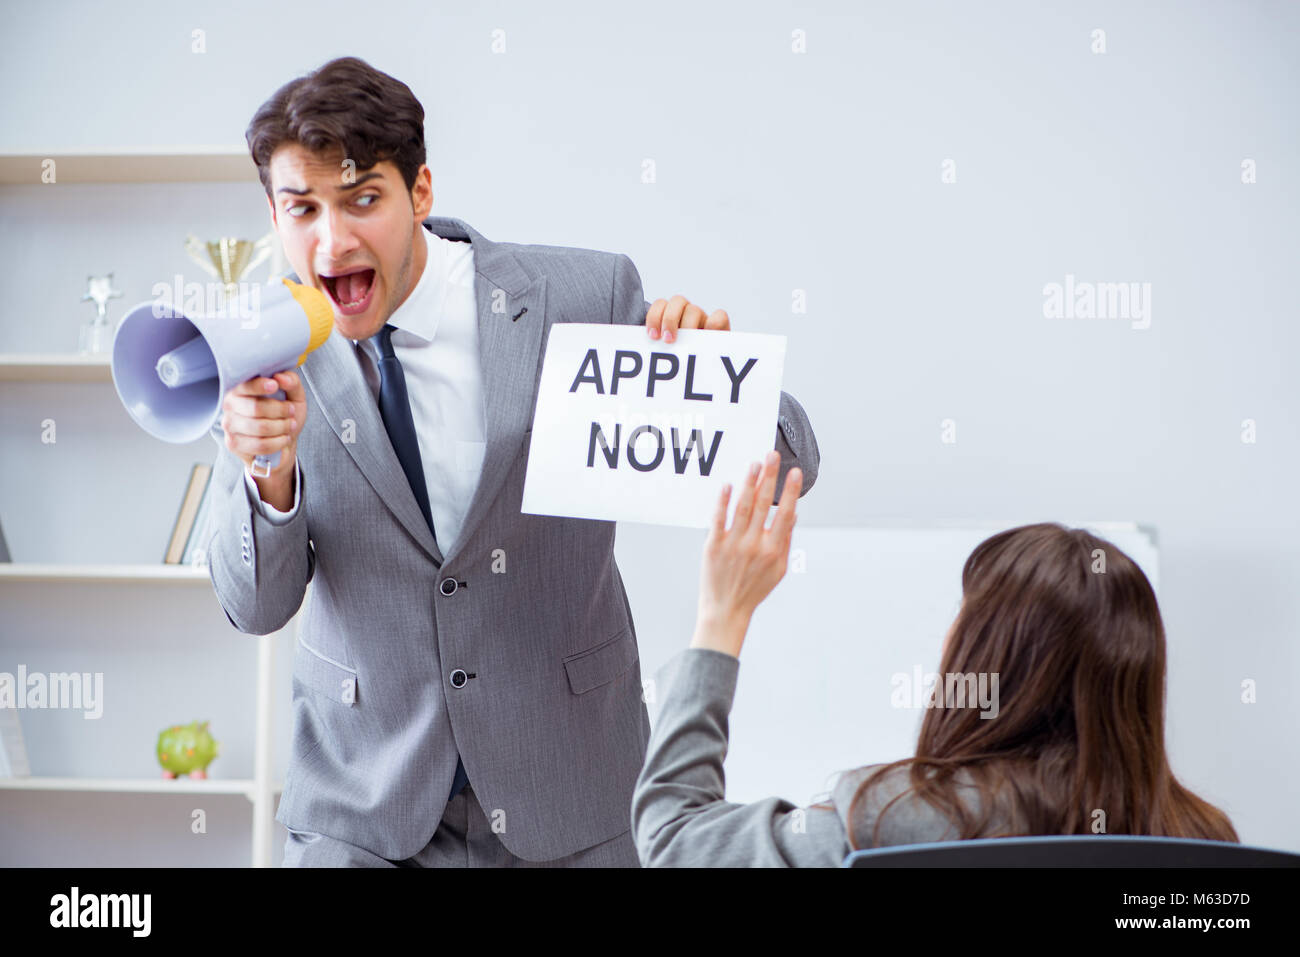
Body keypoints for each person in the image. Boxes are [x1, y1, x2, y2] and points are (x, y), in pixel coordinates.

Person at [208, 56, 820, 867]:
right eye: (302, 209)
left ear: (420, 191)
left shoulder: (577, 297)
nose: (332, 239)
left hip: (570, 797)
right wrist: (266, 471)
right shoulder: (265, 346)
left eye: (362, 200)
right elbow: (255, 607)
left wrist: (715, 377)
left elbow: (791, 461)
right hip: (361, 813)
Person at [632, 453, 1239, 865]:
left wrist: (720, 618)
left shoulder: (896, 818)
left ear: (986, 655)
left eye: (963, 617)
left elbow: (676, 842)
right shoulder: (1205, 842)